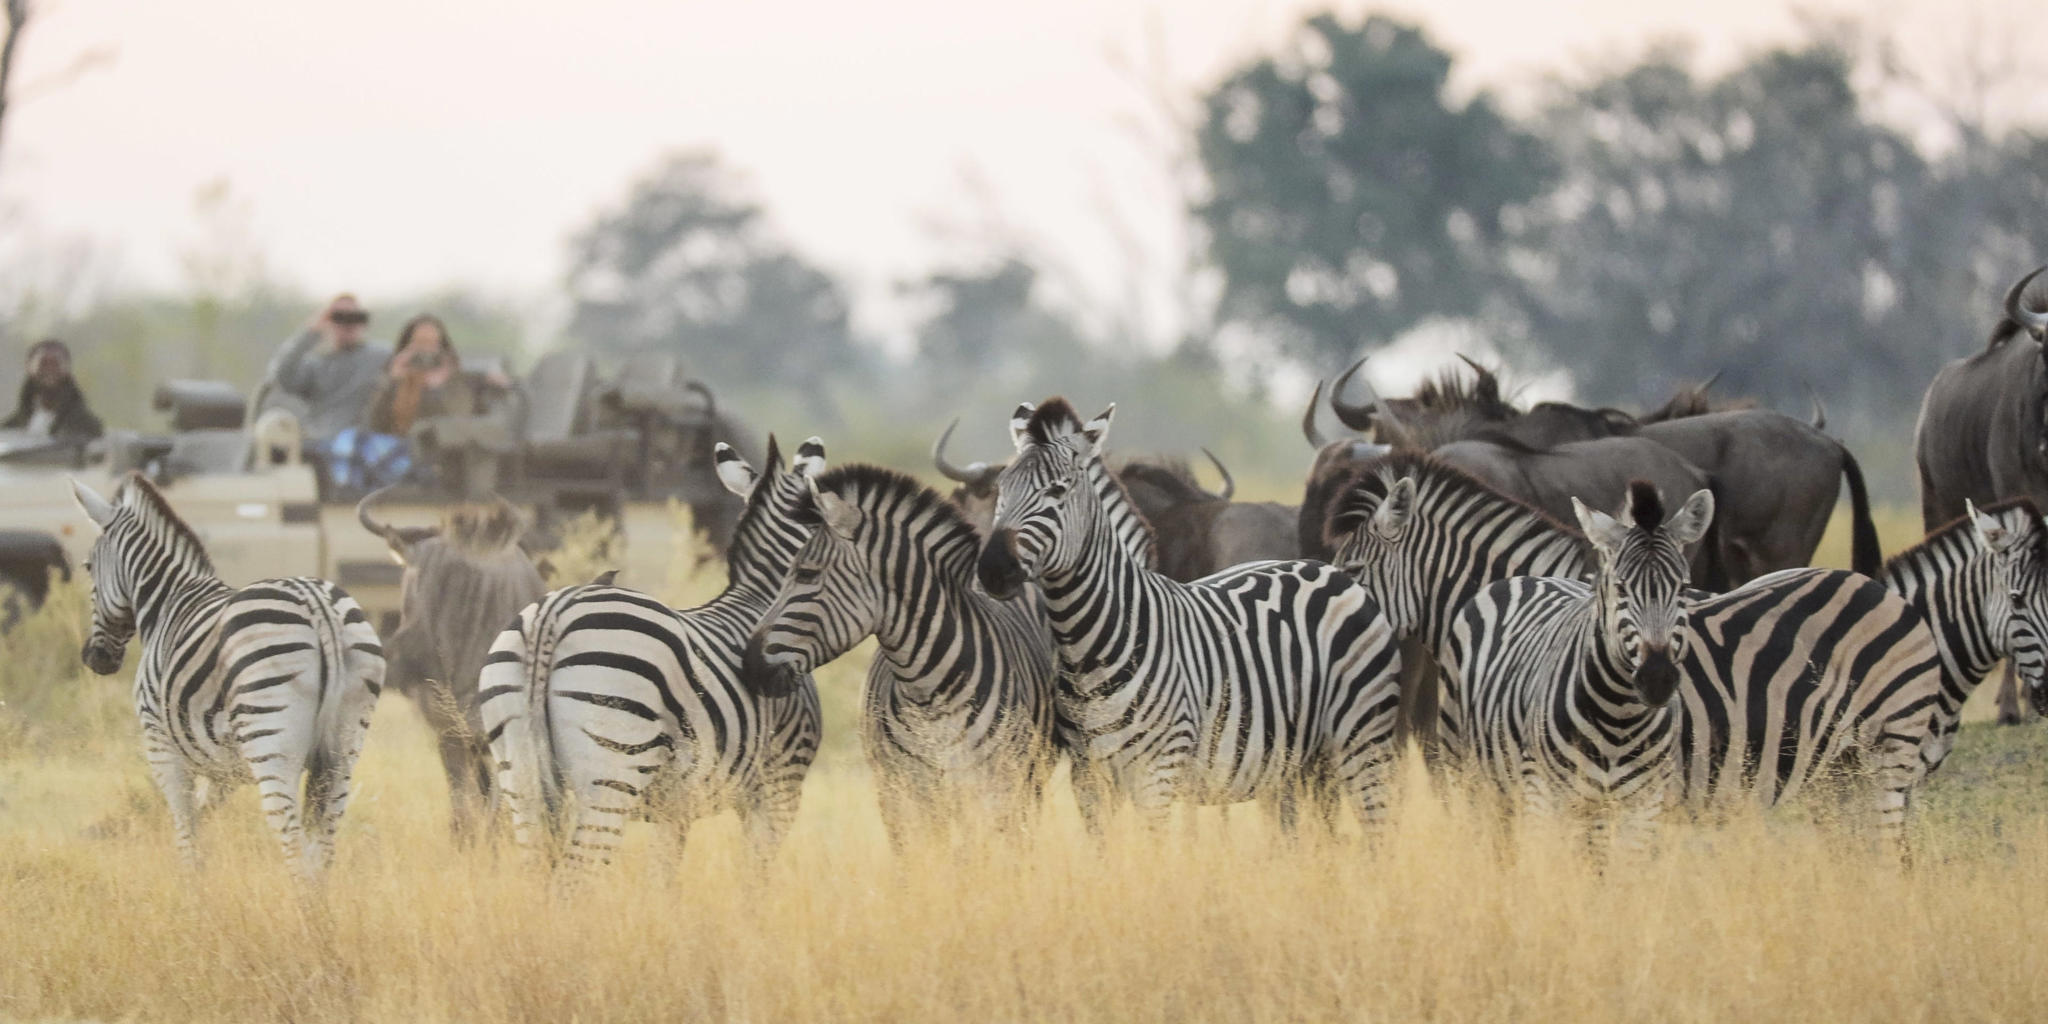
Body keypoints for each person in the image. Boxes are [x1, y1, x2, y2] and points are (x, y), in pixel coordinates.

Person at [268, 294, 389, 447]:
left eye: (354, 317)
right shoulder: (316, 364)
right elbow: (281, 375)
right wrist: (310, 333)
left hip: (365, 446)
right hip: (322, 443)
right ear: (328, 322)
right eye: (340, 317)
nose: (348, 324)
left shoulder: (382, 357)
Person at [365, 314, 483, 435]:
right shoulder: (394, 378)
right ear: (407, 346)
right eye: (421, 342)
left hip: (443, 449)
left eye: (432, 343)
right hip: (403, 448)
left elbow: (459, 426)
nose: (427, 350)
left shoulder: (457, 379)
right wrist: (392, 381)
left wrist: (437, 388)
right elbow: (375, 424)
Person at [3, 339, 104, 441]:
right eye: (43, 363)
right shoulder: (10, 428)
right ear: (29, 367)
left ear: (67, 368)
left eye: (55, 363)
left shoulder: (87, 426)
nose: (49, 370)